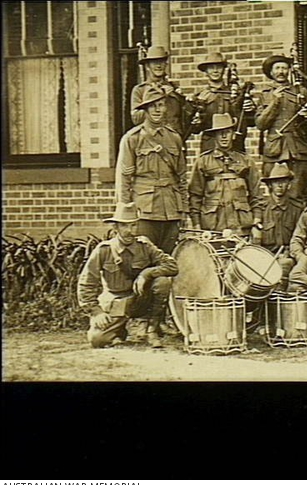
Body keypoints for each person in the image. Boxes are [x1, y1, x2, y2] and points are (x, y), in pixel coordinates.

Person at [77, 202, 179, 349]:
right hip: (116, 301)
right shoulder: (104, 250)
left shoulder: (144, 245)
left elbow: (172, 266)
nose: (130, 231)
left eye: (133, 225)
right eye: (125, 226)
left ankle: (151, 328)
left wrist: (147, 273)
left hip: (140, 300)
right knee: (97, 340)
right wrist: (96, 311)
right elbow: (86, 284)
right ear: (115, 227)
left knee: (162, 282)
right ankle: (118, 331)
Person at [116, 85, 188, 256]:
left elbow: (182, 177)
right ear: (145, 109)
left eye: (161, 104)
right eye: (152, 105)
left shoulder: (174, 138)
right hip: (144, 211)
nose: (157, 109)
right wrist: (126, 214)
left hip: (171, 210)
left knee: (169, 260)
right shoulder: (132, 139)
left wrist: (183, 210)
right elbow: (124, 179)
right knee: (141, 258)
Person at [188, 113, 264, 237]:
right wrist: (197, 225)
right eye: (220, 132)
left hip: (242, 227)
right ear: (214, 136)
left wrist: (256, 221)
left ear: (233, 135)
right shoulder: (203, 162)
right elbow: (195, 197)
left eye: (227, 132)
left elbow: (256, 195)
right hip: (212, 228)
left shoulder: (245, 161)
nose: (224, 136)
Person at [255, 54, 307, 203]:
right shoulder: (265, 95)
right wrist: (275, 102)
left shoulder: (301, 92)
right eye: (277, 68)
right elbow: (261, 124)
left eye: (284, 67)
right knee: (276, 196)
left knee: (299, 195)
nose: (281, 71)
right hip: (275, 151)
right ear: (271, 72)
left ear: (289, 70)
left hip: (298, 150)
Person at [189, 52, 256, 153]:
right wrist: (196, 120)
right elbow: (195, 129)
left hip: (234, 143)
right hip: (210, 145)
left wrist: (250, 109)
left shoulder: (236, 94)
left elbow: (251, 122)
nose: (215, 70)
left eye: (218, 67)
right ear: (206, 71)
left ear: (224, 70)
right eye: (211, 67)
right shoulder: (200, 96)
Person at [258, 162, 305, 291]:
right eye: (275, 182)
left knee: (285, 266)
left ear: (289, 185)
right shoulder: (261, 209)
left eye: (283, 182)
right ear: (270, 185)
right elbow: (255, 242)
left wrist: (288, 253)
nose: (279, 185)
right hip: (265, 257)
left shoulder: (297, 209)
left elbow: (301, 238)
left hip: (289, 257)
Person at [130, 46, 189, 140]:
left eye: (161, 62)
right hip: (150, 140)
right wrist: (155, 97)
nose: (158, 65)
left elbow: (185, 119)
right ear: (147, 66)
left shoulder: (174, 89)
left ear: (166, 64)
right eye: (154, 62)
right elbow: (136, 119)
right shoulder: (140, 90)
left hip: (173, 141)